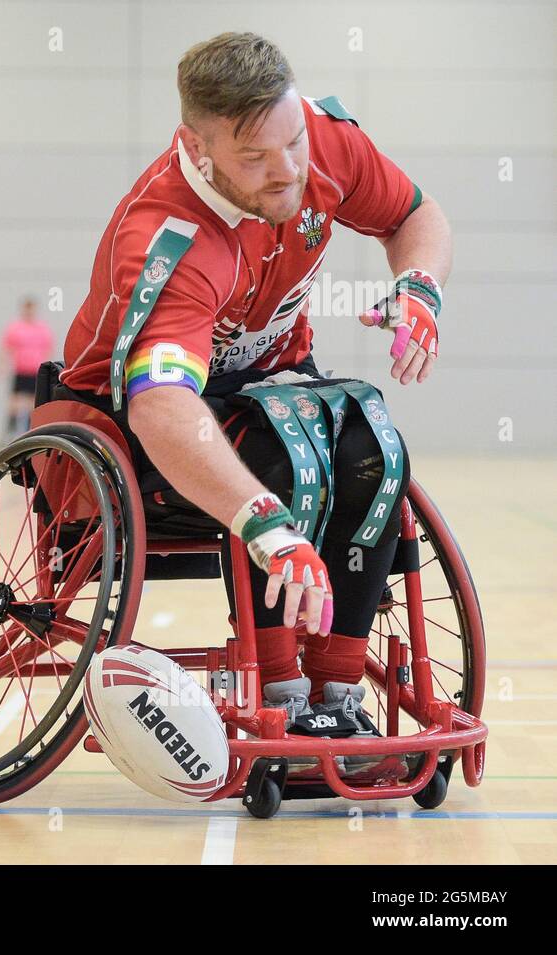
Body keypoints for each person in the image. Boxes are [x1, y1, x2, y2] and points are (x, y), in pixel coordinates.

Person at [58, 32, 448, 735]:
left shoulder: (324, 143)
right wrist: (269, 527)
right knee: (279, 461)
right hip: (131, 417)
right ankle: (282, 688)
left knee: (372, 443)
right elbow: (162, 409)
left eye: (294, 142)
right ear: (198, 147)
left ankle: (337, 689)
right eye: (257, 158)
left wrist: (418, 288)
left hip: (272, 385)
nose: (290, 171)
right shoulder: (169, 239)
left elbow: (415, 216)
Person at [0, 297, 54, 440]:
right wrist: (3, 365)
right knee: (15, 403)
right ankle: (10, 432)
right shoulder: (15, 328)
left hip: (34, 371)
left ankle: (29, 432)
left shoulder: (42, 328)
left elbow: (48, 348)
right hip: (20, 370)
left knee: (32, 402)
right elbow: (6, 348)